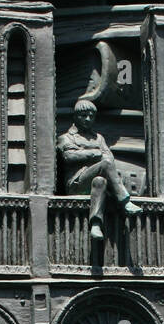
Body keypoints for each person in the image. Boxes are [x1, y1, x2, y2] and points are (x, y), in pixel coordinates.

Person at [57, 98, 140, 242]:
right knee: (105, 164)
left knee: (100, 181)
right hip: (76, 183)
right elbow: (69, 156)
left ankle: (96, 223)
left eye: (91, 116)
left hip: (93, 182)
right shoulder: (66, 138)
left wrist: (85, 153)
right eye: (84, 116)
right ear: (75, 117)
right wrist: (94, 153)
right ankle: (124, 200)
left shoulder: (98, 138)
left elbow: (110, 157)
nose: (88, 119)